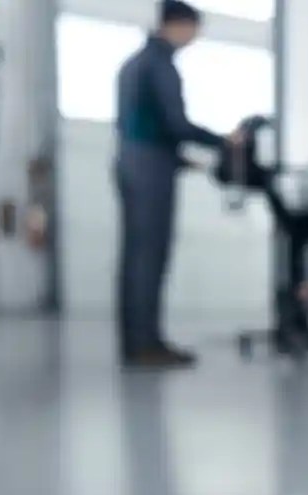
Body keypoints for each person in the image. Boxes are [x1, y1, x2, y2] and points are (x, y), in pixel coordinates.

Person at [114, 1, 238, 368]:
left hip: (135, 161)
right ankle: (145, 345)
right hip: (150, 168)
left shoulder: (135, 64)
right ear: (178, 25)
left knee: (136, 256)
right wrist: (223, 142)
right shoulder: (160, 65)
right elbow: (175, 125)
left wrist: (183, 160)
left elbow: (144, 123)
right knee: (149, 258)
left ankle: (137, 341)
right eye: (194, 30)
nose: (195, 38)